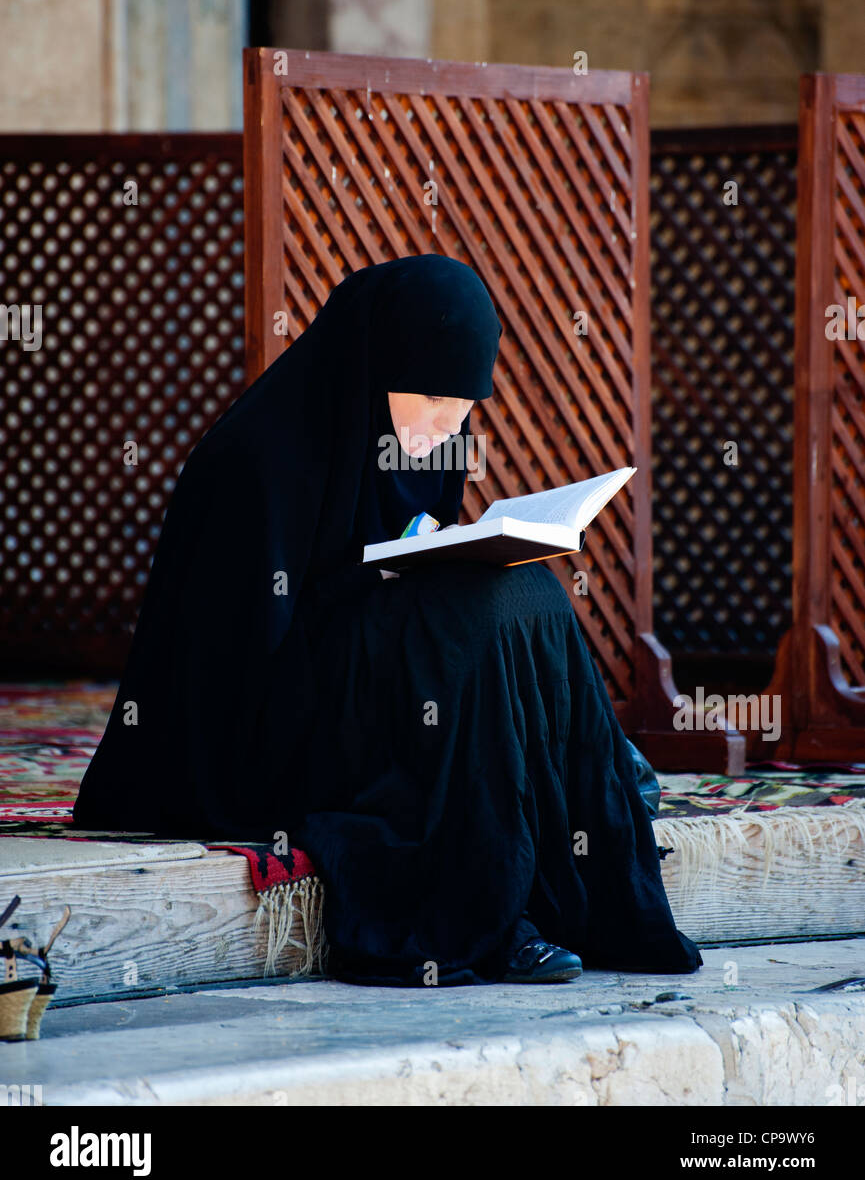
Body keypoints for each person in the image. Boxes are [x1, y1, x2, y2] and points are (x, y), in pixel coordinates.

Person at [73, 253, 701, 987]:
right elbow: (232, 657)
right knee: (466, 618)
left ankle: (590, 778)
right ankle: (489, 916)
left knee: (524, 591)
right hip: (265, 719)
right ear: (376, 365)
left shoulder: (420, 442)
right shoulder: (253, 459)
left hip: (379, 674)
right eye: (431, 399)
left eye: (463, 405)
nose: (445, 425)